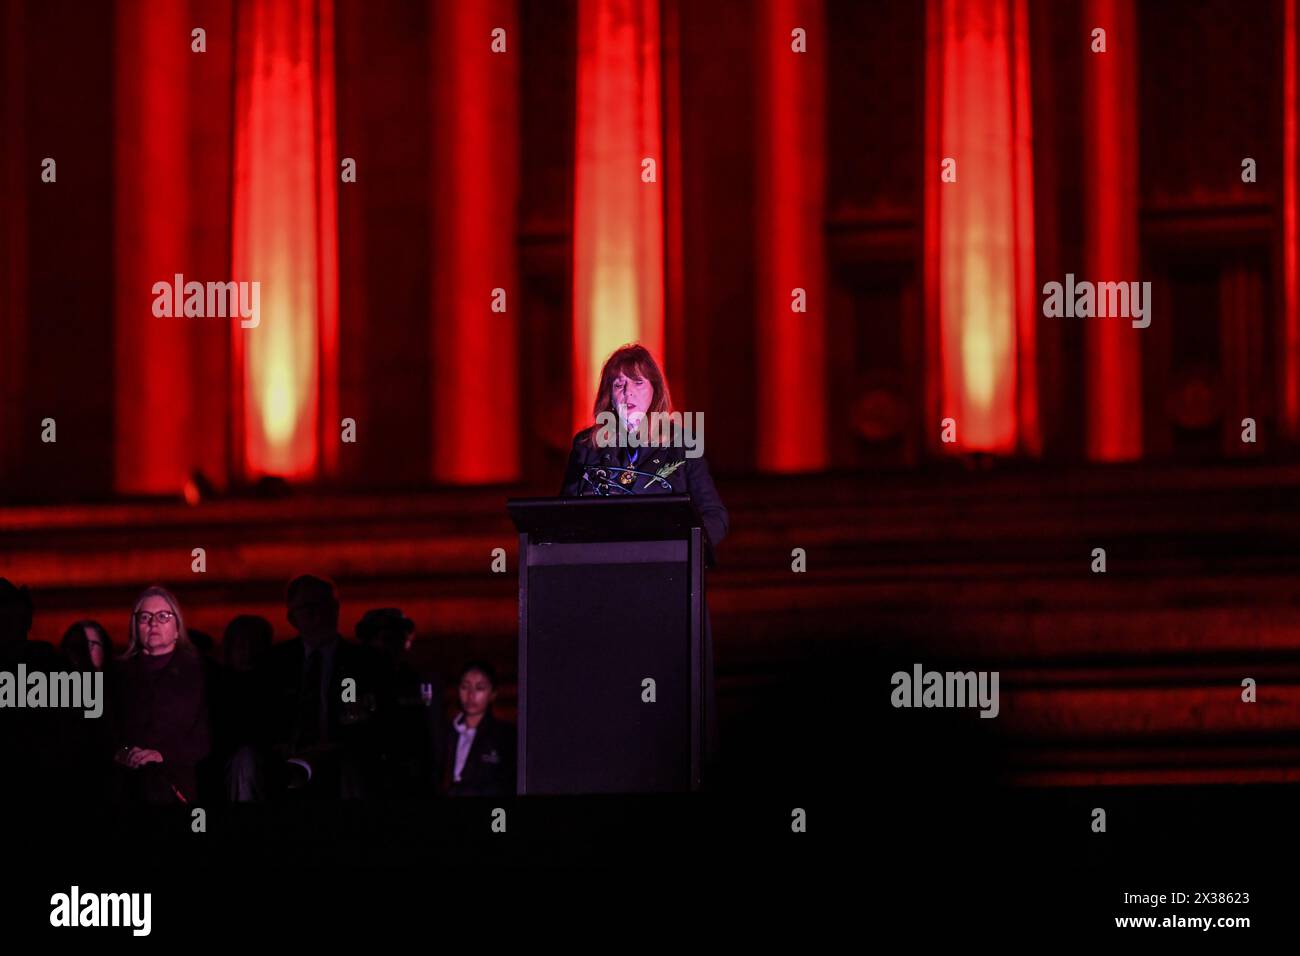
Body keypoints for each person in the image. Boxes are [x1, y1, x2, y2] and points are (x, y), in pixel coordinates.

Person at [558, 344, 729, 776]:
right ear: (606, 395)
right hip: (606, 598)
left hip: (667, 597)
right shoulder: (588, 446)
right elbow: (562, 518)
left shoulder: (680, 445)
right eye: (618, 383)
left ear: (655, 391)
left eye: (637, 382)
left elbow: (715, 516)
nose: (627, 392)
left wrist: (684, 543)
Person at [226, 574, 383, 801]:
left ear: (336, 609)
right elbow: (258, 715)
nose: (319, 615)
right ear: (292, 617)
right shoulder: (275, 662)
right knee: (246, 759)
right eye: (309, 608)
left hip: (339, 756)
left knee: (352, 763)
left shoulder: (362, 662)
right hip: (285, 756)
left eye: (325, 605)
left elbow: (372, 722)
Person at [110, 586, 210, 805]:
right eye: (145, 617)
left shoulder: (201, 672)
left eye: (162, 616)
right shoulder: (117, 674)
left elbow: (206, 737)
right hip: (125, 775)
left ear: (177, 627)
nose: (153, 623)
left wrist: (161, 754)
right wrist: (126, 752)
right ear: (135, 626)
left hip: (177, 777)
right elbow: (107, 731)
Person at [357, 607, 445, 797]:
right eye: (379, 637)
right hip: (368, 783)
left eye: (395, 637)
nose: (384, 645)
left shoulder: (421, 681)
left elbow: (434, 739)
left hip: (412, 784)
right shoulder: (354, 683)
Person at [442, 662, 515, 797]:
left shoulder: (505, 736)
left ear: (493, 694)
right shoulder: (446, 732)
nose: (470, 695)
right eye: (465, 687)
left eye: (479, 688)